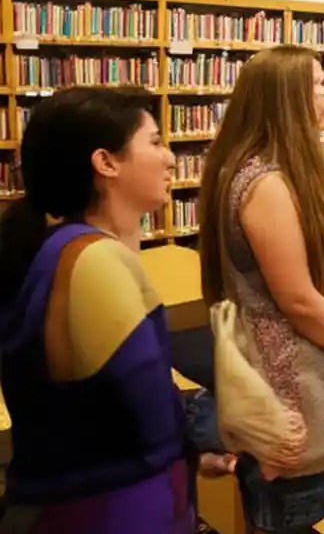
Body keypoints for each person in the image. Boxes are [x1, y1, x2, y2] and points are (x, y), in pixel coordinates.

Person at [0, 88, 232, 534]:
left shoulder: (67, 248)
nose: (170, 159)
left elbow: (112, 413)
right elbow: (149, 410)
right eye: (155, 142)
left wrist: (193, 454)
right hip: (110, 511)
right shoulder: (96, 261)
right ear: (106, 162)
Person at [200, 46, 324, 533]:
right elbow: (296, 297)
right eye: (318, 84)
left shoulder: (290, 171)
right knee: (288, 513)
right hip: (288, 390)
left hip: (305, 378)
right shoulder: (266, 183)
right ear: (287, 97)